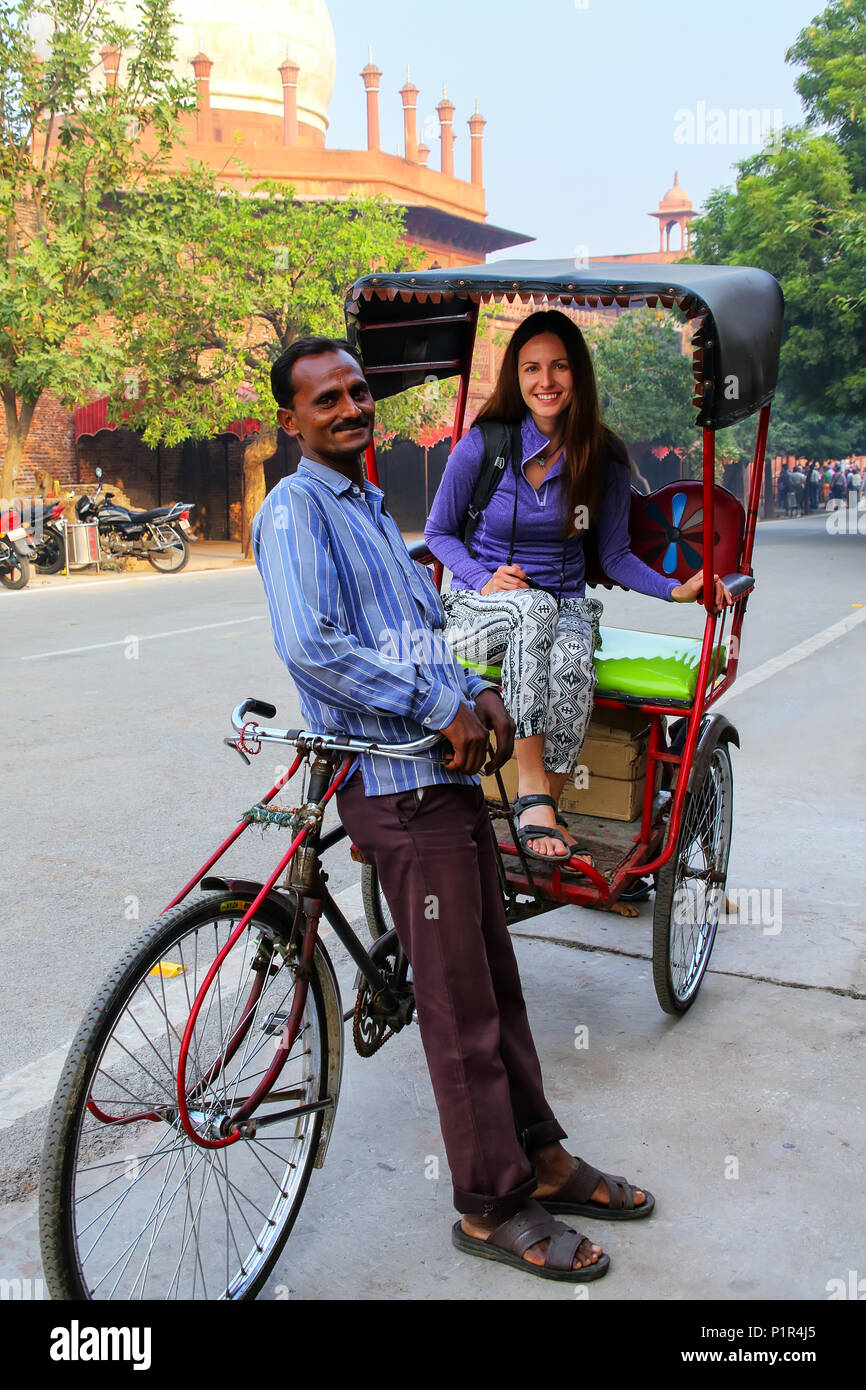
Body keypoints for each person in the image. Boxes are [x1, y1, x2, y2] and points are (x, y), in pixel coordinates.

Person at [251, 335, 657, 1285]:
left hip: (444, 773)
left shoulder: (366, 506)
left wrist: (473, 694)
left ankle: (544, 1158)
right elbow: (314, 648)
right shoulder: (294, 510)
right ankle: (489, 1203)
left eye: (358, 393)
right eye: (327, 400)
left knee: (496, 984)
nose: (351, 409)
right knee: (460, 1010)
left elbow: (421, 631)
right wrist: (441, 706)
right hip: (395, 786)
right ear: (291, 420)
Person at [424, 309, 732, 864]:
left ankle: (548, 813)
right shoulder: (486, 445)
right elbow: (438, 532)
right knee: (534, 609)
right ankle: (531, 791)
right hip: (480, 610)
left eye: (559, 367)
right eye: (531, 368)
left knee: (570, 656)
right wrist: (483, 577)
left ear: (577, 374)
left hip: (560, 611)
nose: (546, 382)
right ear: (516, 378)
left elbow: (613, 556)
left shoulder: (601, 455)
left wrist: (675, 590)